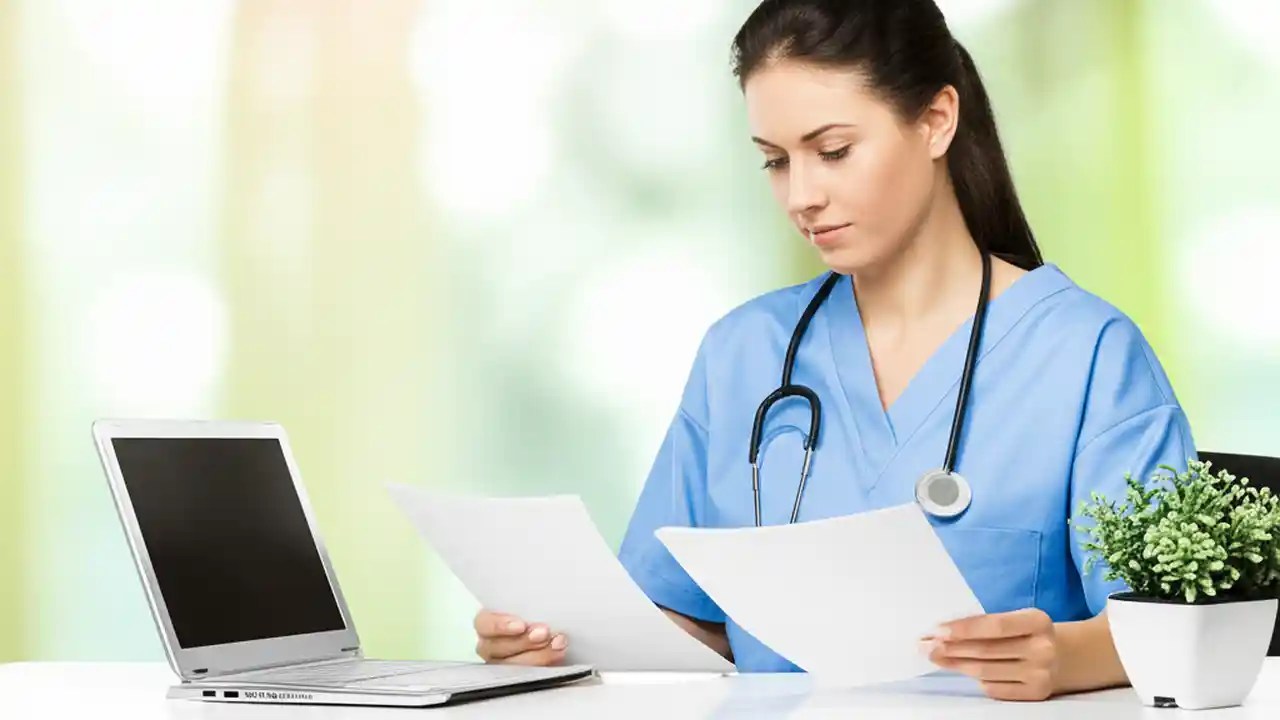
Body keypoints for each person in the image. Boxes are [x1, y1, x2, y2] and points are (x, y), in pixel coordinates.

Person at [470, 0, 1195, 702]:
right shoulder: (744, 354)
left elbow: (1184, 625)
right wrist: (560, 643)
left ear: (936, 121)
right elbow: (695, 626)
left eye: (833, 152)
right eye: (775, 162)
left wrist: (1065, 659)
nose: (801, 196)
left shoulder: (1088, 355)